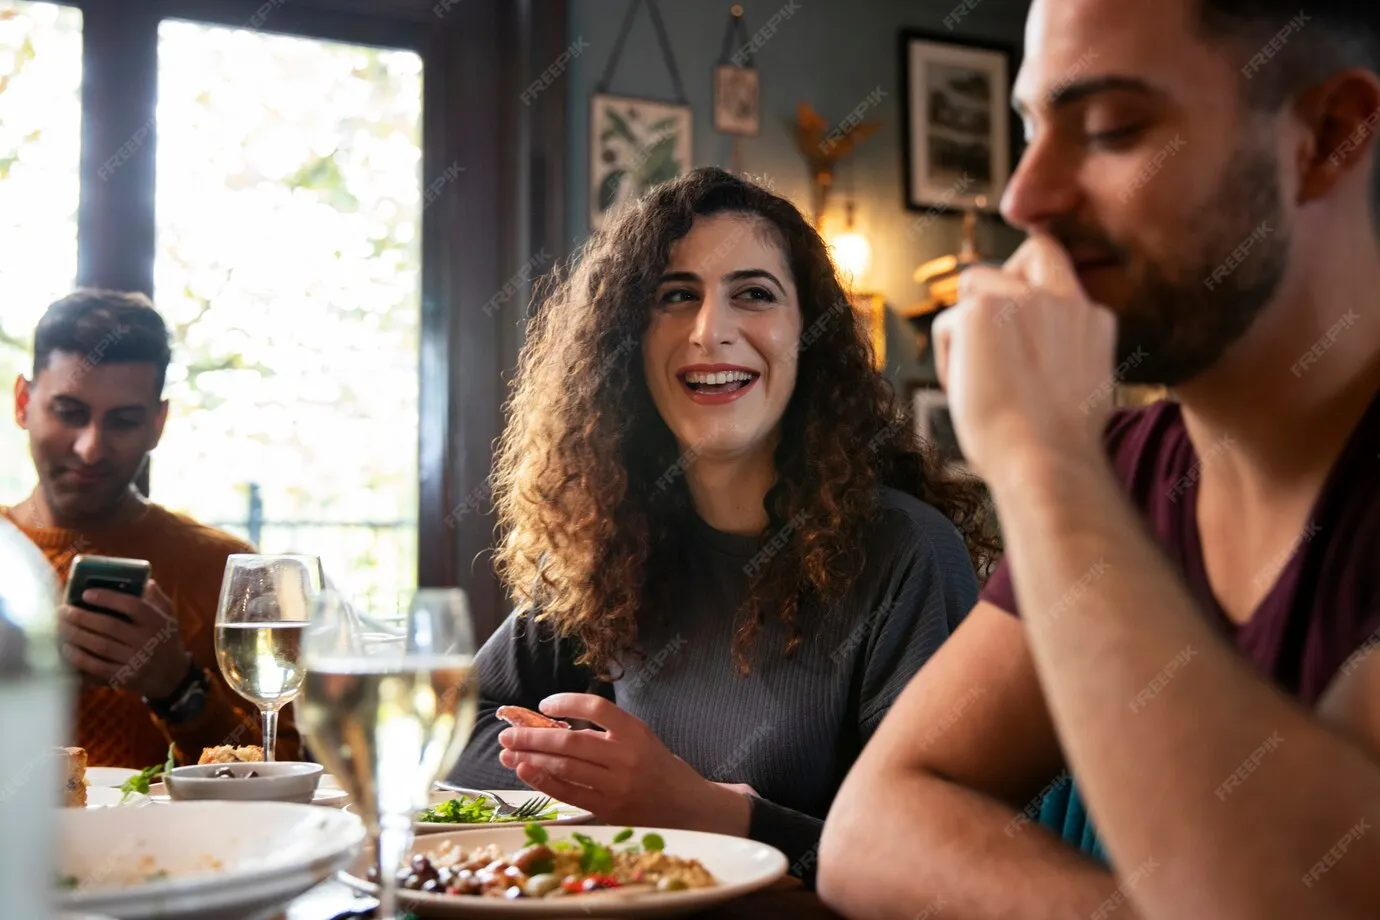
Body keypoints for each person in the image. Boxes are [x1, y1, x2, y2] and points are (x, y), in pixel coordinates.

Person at [819, 0, 1380, 918]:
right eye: (1033, 129)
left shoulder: (1078, 471)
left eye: (1114, 130)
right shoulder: (1124, 469)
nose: (1023, 198)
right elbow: (869, 827)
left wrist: (1039, 457)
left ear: (1327, 135)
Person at [450, 167, 996, 879]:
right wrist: (597, 773)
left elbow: (937, 866)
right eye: (676, 297)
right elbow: (457, 723)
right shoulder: (609, 540)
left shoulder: (908, 554)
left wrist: (702, 808)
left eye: (754, 295)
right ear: (628, 344)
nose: (712, 331)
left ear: (809, 337)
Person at [4, 289, 301, 767]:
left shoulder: (223, 571)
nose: (90, 449)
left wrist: (178, 687)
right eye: (69, 412)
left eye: (123, 421)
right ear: (23, 402)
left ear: (158, 424)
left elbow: (281, 769)